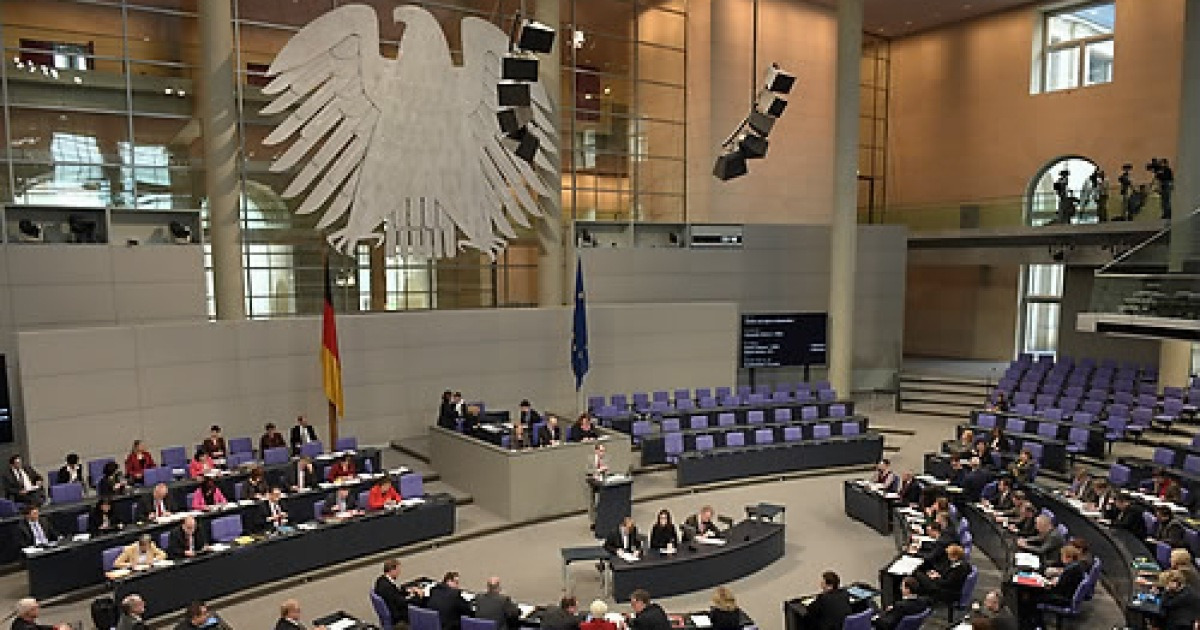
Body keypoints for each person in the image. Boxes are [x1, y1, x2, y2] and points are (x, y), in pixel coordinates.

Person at [1031, 545, 1086, 626]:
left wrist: (1048, 582)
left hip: (1063, 598)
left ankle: (1037, 624)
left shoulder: (1071, 570)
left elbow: (1058, 587)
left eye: (1062, 556)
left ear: (1069, 558)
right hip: (1066, 594)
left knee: (1034, 597)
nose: (1061, 558)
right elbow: (1064, 582)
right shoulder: (1076, 566)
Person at [374, 559, 424, 628]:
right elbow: (403, 603)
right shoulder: (387, 588)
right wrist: (418, 596)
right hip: (399, 619)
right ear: (392, 570)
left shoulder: (381, 580)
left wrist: (408, 591)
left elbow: (395, 593)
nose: (399, 572)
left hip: (393, 611)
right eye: (398, 570)